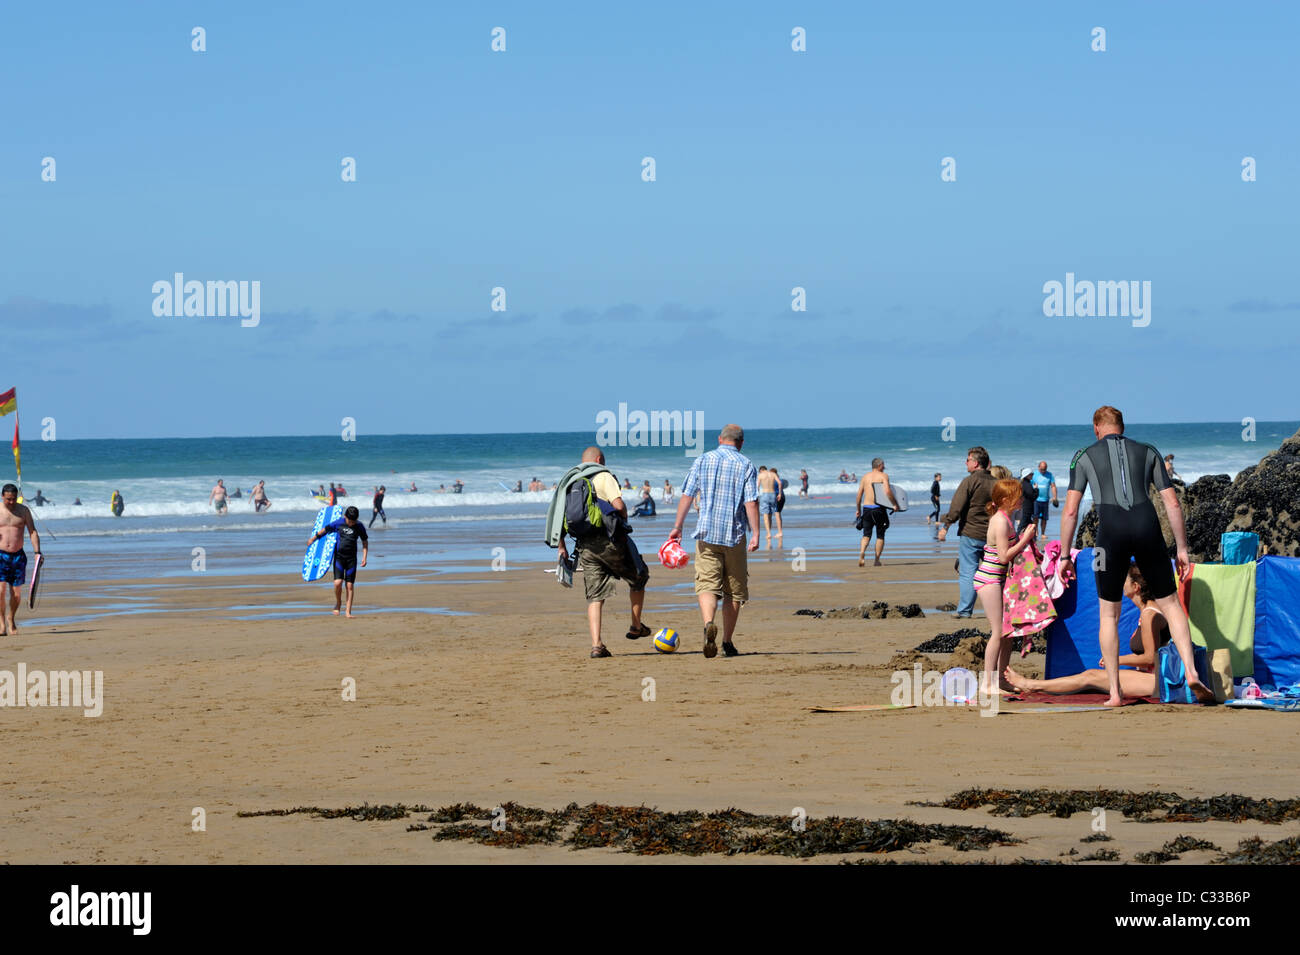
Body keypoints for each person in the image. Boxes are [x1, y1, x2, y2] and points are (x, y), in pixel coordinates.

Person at [1058, 406, 1213, 705]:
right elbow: (1173, 504)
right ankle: (1191, 672)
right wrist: (1182, 549)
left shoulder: (1082, 456)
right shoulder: (1149, 451)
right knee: (1171, 605)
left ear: (1096, 428)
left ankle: (1115, 693)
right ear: (1122, 426)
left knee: (1108, 614)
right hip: (1147, 529)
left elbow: (1070, 511)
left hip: (1109, 539)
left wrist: (1065, 555)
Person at [1005, 565, 1169, 697]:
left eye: (1124, 580)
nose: (1121, 584)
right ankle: (1033, 685)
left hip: (1156, 682)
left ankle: (1031, 685)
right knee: (1092, 677)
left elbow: (1149, 658)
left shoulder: (1150, 615)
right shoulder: (1150, 611)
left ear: (1135, 587)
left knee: (1091, 676)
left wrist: (1116, 660)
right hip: (1153, 679)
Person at [670, 424, 759, 659]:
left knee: (707, 584)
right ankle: (727, 642)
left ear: (720, 439)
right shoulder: (745, 464)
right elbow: (751, 502)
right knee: (733, 591)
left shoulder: (702, 460)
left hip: (706, 534)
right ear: (740, 443)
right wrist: (757, 533)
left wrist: (677, 526)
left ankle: (708, 622)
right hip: (734, 535)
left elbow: (687, 495)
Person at [556, 447, 650, 658]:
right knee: (638, 575)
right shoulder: (603, 475)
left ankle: (597, 645)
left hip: (584, 546)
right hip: (609, 541)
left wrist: (561, 547)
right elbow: (619, 505)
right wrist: (624, 521)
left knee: (595, 595)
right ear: (599, 460)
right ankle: (636, 625)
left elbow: (558, 517)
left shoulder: (570, 481)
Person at [974, 478, 1037, 694]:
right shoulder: (1000, 521)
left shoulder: (1006, 518)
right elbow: (1003, 557)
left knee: (1008, 633)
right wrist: (1025, 539)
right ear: (1004, 500)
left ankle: (1001, 679)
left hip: (998, 579)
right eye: (1016, 496)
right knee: (998, 631)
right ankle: (987, 683)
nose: (1021, 499)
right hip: (989, 579)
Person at [937, 447, 994, 618]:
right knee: (994, 573)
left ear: (976, 463)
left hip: (971, 533)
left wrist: (945, 526)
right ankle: (1003, 608)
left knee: (968, 571)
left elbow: (956, 507)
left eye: (968, 459)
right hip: (991, 534)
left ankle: (964, 610)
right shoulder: (996, 482)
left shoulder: (969, 481)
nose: (966, 462)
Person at [307, 504, 368, 618]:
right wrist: (312, 539)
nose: (352, 523)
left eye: (354, 521)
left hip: (351, 559)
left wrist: (364, 557)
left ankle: (348, 611)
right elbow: (324, 530)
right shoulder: (338, 523)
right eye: (350, 521)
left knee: (349, 586)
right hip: (339, 557)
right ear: (345, 517)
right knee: (337, 583)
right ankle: (338, 602)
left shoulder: (359, 526)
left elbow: (364, 541)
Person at [0, 484, 40, 636]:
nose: (11, 502)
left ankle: (11, 618)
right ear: (2, 496)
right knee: (0, 591)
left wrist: (37, 552)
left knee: (16, 595)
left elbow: (32, 531)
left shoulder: (23, 511)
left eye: (13, 499)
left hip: (18, 556)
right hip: (0, 555)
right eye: (8, 499)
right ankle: (2, 623)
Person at [855, 458, 898, 567]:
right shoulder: (883, 476)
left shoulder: (865, 477)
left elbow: (859, 495)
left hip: (867, 508)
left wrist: (858, 510)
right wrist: (894, 504)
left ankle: (861, 553)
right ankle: (877, 560)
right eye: (883, 465)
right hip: (879, 509)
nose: (884, 467)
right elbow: (888, 491)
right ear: (879, 465)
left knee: (866, 534)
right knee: (880, 535)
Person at [756, 466, 783, 550]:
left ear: (761, 470)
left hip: (765, 494)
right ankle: (775, 531)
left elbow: (757, 486)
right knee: (773, 513)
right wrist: (780, 494)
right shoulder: (773, 474)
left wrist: (756, 496)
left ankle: (768, 533)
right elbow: (780, 483)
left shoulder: (760, 475)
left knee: (765, 515)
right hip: (773, 494)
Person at [1031, 460, 1058, 537]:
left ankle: (1043, 533)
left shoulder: (1049, 475)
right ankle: (1035, 532)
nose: (1043, 471)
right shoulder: (1034, 475)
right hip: (1036, 499)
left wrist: (1055, 497)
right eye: (1041, 469)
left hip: (1045, 500)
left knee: (1044, 518)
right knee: (1035, 517)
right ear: (1038, 467)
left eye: (1044, 469)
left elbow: (1053, 486)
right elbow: (1029, 485)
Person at [1017, 468, 1037, 534]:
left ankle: (1030, 539)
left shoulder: (1025, 483)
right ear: (1027, 475)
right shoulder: (1026, 484)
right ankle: (1016, 537)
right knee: (1023, 524)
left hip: (1025, 506)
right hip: (1027, 507)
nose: (1032, 476)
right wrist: (1036, 489)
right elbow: (1033, 496)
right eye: (1031, 474)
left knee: (1028, 523)